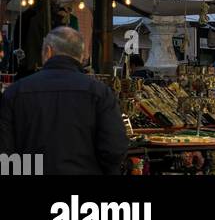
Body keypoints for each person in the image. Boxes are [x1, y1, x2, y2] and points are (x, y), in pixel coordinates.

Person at [0, 26, 128, 175]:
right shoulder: (99, 93)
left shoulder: (15, 92)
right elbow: (115, 148)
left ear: (48, 52)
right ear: (81, 57)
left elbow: (5, 152)